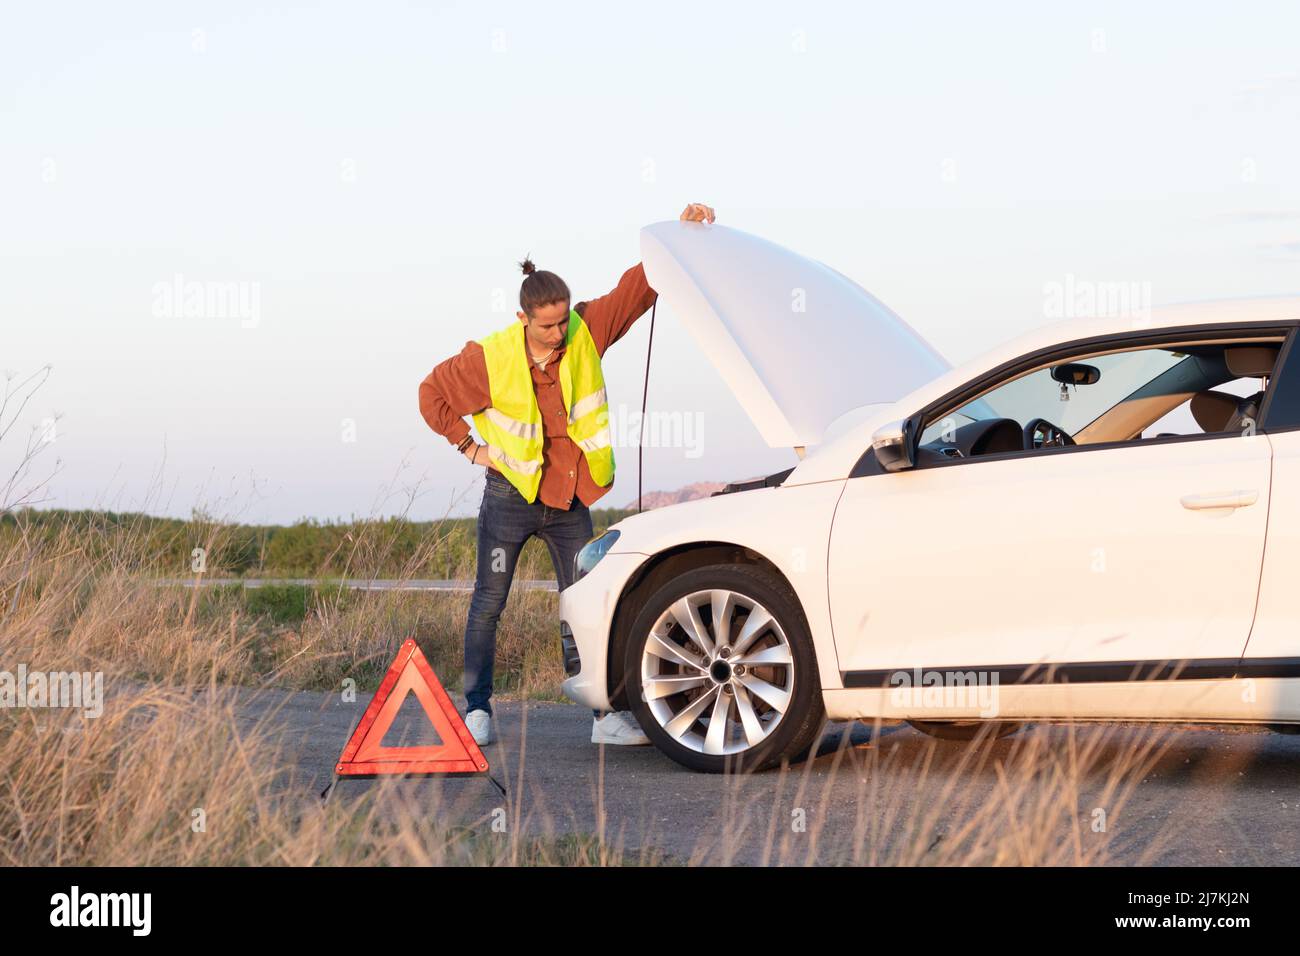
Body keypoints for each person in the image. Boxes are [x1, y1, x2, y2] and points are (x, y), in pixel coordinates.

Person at [418, 202, 718, 746]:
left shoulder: (585, 329)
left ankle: (604, 718)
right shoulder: (488, 358)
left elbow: (638, 287)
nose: (559, 333)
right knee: (489, 601)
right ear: (523, 320)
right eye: (548, 326)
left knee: (585, 603)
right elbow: (430, 393)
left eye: (563, 322)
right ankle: (478, 710)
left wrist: (682, 232)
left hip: (567, 499)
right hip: (508, 496)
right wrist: (469, 448)